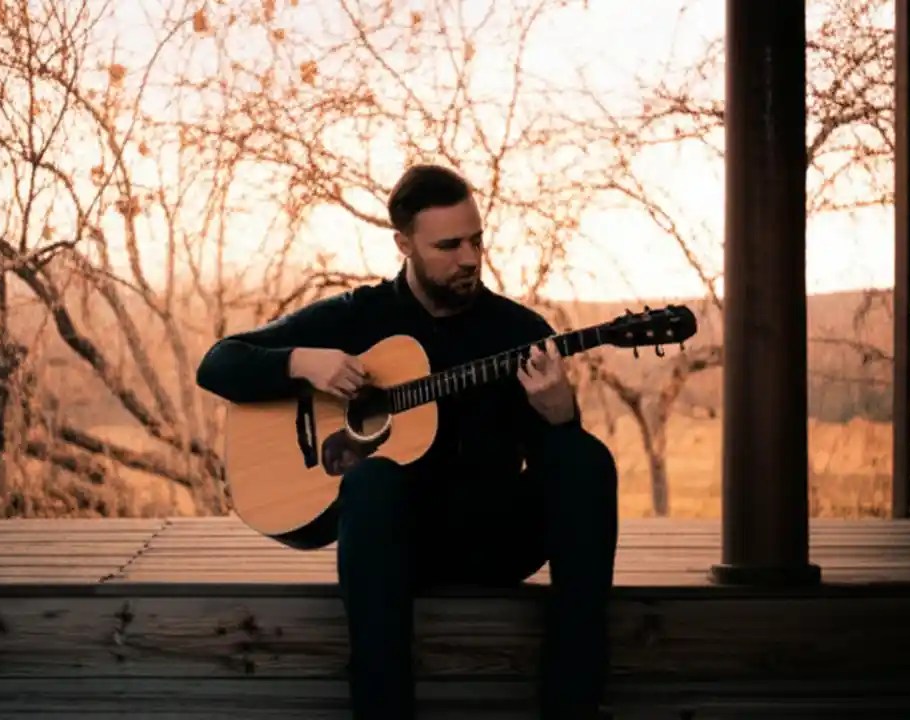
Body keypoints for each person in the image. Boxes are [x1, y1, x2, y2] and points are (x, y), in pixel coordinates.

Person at [195, 164, 618, 719]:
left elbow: (556, 474)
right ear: (404, 244)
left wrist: (560, 419)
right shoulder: (358, 319)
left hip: (493, 539)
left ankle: (573, 704)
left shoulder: (517, 332)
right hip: (398, 547)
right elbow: (218, 364)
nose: (468, 258)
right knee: (371, 480)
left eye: (476, 240)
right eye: (448, 245)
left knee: (586, 457)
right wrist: (302, 362)